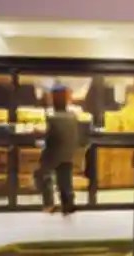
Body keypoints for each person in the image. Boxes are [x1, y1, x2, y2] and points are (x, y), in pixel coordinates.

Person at [37, 86, 81, 215]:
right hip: (67, 153)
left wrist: (42, 144)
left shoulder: (52, 117)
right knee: (65, 180)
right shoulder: (72, 116)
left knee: (43, 176)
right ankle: (68, 204)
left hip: (53, 153)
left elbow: (50, 137)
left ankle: (49, 204)